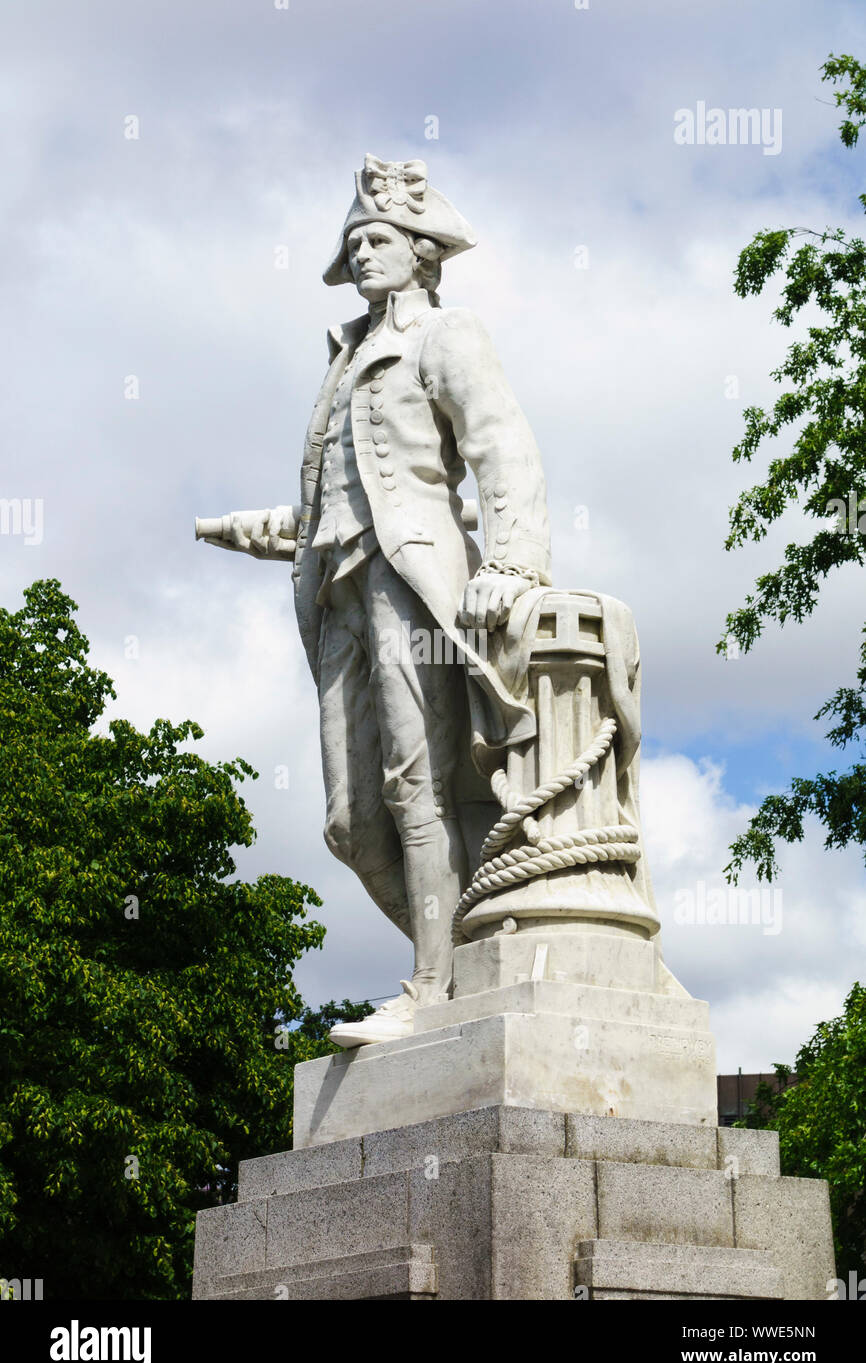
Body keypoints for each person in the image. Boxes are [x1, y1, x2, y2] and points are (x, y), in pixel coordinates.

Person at [292, 155, 551, 1046]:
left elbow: (501, 449)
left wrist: (513, 561)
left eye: (380, 239)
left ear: (419, 251)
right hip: (339, 594)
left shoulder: (446, 335)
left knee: (418, 784)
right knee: (349, 820)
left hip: (416, 584)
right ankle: (473, 957)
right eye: (354, 242)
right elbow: (339, 492)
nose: (365, 253)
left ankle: (432, 988)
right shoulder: (343, 357)